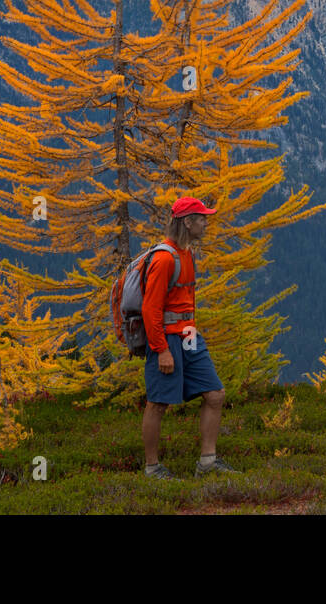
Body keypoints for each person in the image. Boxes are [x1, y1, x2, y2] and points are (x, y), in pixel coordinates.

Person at [142, 196, 237, 478]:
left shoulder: (187, 253)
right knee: (158, 402)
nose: (206, 223)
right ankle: (152, 468)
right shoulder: (164, 258)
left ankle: (207, 463)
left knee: (215, 393)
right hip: (167, 340)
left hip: (189, 336)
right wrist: (161, 350)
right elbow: (150, 310)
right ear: (188, 222)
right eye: (202, 218)